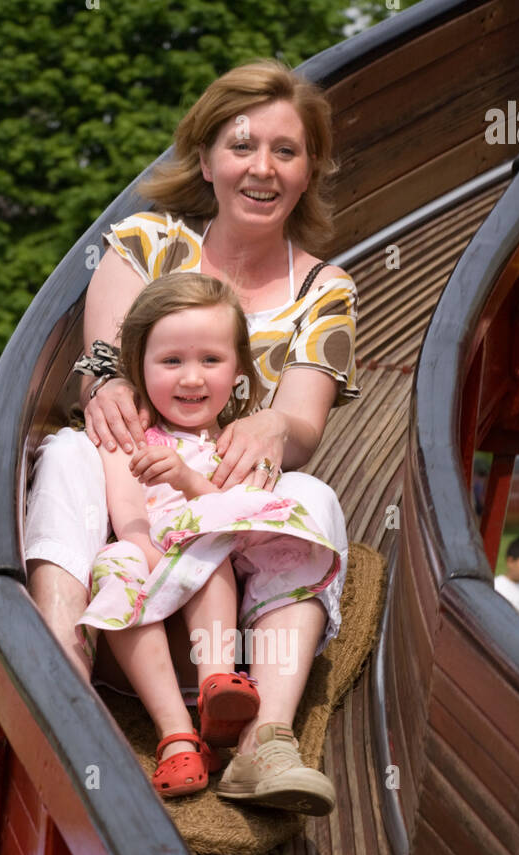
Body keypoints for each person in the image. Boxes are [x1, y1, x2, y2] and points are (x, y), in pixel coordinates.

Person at [25, 59, 358, 807]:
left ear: (309, 171)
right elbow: (106, 365)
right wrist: (107, 377)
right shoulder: (146, 244)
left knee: (312, 493)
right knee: (77, 448)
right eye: (242, 146)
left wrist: (271, 420)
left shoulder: (324, 290)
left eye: (286, 150)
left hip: (231, 503)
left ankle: (266, 744)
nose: (262, 169)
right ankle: (59, 677)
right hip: (140, 497)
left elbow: (302, 421)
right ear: (205, 159)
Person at [80, 273, 339, 811]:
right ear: (139, 366)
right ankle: (176, 734)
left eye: (211, 361)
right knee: (120, 566)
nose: (191, 378)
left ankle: (219, 682)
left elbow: (229, 514)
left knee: (208, 550)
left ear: (239, 369)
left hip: (212, 572)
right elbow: (129, 515)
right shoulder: (130, 438)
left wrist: (184, 478)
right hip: (151, 556)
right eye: (171, 361)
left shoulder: (239, 445)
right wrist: (154, 544)